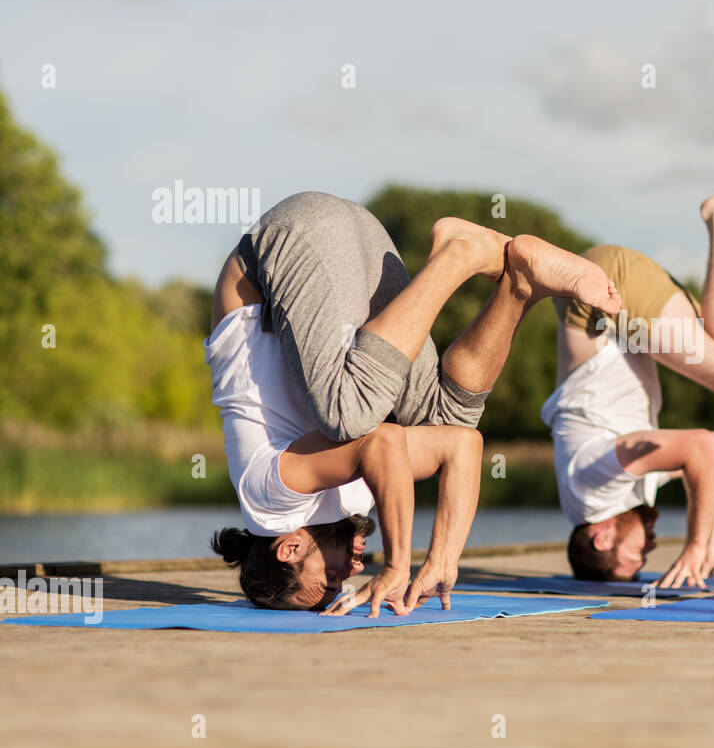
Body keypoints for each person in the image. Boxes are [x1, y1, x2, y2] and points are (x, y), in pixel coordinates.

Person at [203, 191, 620, 614]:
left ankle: (459, 256)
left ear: (289, 549)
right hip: (360, 247)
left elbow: (380, 442)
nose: (351, 571)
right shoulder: (346, 499)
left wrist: (397, 565)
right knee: (446, 419)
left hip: (288, 243)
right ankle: (520, 283)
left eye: (329, 578)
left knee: (348, 416)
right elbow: (461, 445)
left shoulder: (269, 502)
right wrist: (443, 559)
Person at [542, 167, 714, 588]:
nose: (649, 552)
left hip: (602, 296)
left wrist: (695, 545)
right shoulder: (621, 490)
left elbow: (701, 447)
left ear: (601, 537)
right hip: (616, 306)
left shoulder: (589, 488)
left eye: (633, 556)